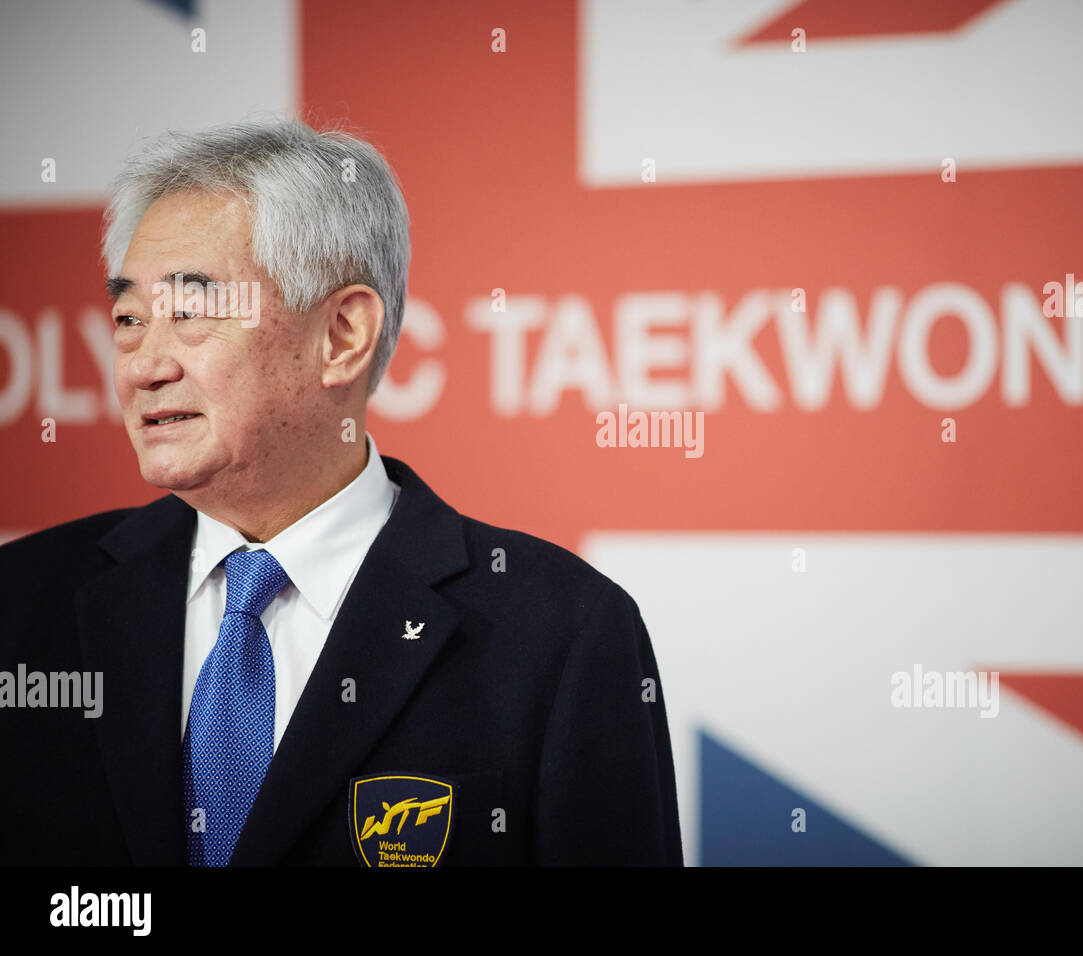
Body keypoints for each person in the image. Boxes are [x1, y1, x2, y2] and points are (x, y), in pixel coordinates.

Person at [0, 119, 682, 866]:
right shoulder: (23, 602)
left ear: (343, 335)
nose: (140, 367)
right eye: (129, 320)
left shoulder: (562, 635)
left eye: (190, 313)